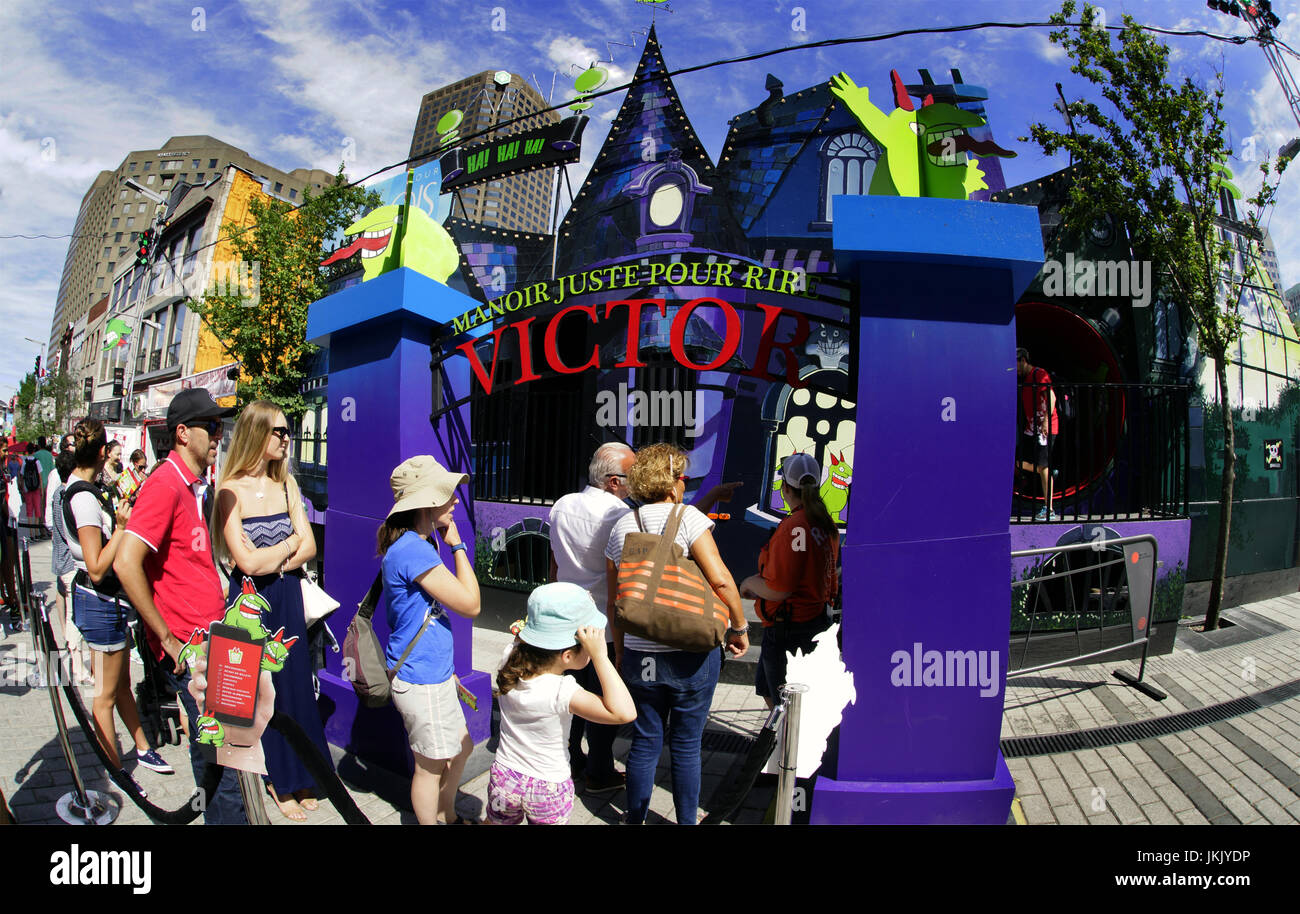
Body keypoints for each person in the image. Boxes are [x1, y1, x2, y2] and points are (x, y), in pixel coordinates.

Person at [113, 388, 247, 824]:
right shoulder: (165, 484)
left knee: (233, 756)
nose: (218, 435)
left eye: (220, 426)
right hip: (193, 649)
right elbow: (125, 561)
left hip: (217, 639)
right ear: (183, 433)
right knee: (218, 769)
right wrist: (168, 638)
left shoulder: (193, 486)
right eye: (211, 427)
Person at [603, 443, 749, 825]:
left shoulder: (621, 526)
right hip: (690, 651)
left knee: (645, 741)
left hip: (638, 653)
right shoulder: (688, 518)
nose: (685, 485)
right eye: (683, 478)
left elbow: (614, 601)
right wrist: (739, 626)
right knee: (686, 745)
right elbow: (720, 579)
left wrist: (620, 653)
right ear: (671, 484)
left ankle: (634, 820)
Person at [213, 400, 330, 820]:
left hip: (287, 596)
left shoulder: (288, 486)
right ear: (257, 434)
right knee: (262, 694)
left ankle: (301, 774)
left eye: (287, 431)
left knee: (296, 686)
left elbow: (312, 546)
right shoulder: (229, 489)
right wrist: (286, 550)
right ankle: (277, 782)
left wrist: (272, 558)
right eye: (279, 431)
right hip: (250, 605)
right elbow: (245, 564)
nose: (287, 438)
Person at [64, 419, 172, 788]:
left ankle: (141, 746)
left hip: (106, 602)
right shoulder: (82, 498)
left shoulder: (87, 489)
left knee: (122, 683)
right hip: (99, 601)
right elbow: (96, 567)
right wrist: (123, 528)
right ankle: (115, 769)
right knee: (105, 695)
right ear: (101, 452)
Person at [377, 455, 481, 825]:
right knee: (430, 766)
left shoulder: (416, 543)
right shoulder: (414, 549)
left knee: (463, 747)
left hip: (432, 673)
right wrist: (457, 546)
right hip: (421, 679)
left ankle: (446, 814)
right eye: (447, 493)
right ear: (426, 501)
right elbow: (471, 604)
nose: (454, 500)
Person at [490, 582, 636, 825]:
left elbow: (525, 634)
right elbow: (625, 712)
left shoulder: (510, 656)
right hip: (546, 788)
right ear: (567, 655)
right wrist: (601, 656)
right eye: (587, 646)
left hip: (504, 776)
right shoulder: (562, 691)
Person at [546, 442, 634, 789]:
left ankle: (569, 758)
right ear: (613, 481)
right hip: (603, 625)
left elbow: (554, 562)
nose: (635, 483)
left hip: (566, 618)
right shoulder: (621, 517)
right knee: (603, 698)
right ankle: (599, 770)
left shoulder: (562, 504)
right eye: (632, 476)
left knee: (570, 694)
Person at [740, 453, 840, 708]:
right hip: (811, 622)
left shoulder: (795, 525)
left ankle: (786, 746)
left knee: (786, 709)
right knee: (772, 692)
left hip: (788, 630)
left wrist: (750, 583)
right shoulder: (825, 523)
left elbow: (780, 589)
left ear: (785, 487)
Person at [46, 447, 85, 682]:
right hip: (68, 562)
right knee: (74, 615)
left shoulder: (61, 493)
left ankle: (76, 659)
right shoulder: (64, 495)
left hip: (63, 562)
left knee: (71, 611)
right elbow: (64, 529)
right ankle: (77, 666)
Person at [1015, 348, 1059, 521]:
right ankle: (1048, 472)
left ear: (1024, 360)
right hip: (1031, 428)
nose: (1015, 369)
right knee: (1018, 462)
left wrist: (1047, 420)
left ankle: (1049, 510)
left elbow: (1051, 397)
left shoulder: (1039, 374)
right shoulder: (1026, 379)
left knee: (1043, 466)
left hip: (1043, 429)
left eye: (1016, 364)